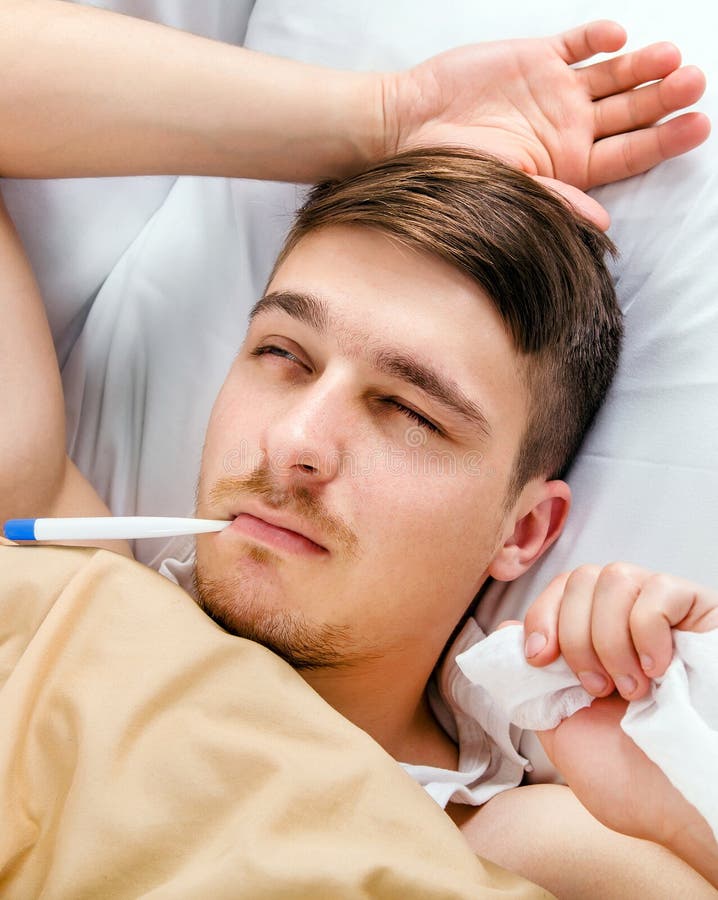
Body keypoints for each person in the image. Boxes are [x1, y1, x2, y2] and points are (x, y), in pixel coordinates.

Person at [0, 2, 715, 896]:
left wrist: (685, 804)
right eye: (282, 355)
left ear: (525, 532)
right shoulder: (73, 591)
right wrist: (385, 114)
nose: (296, 441)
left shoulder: (522, 849)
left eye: (408, 411)